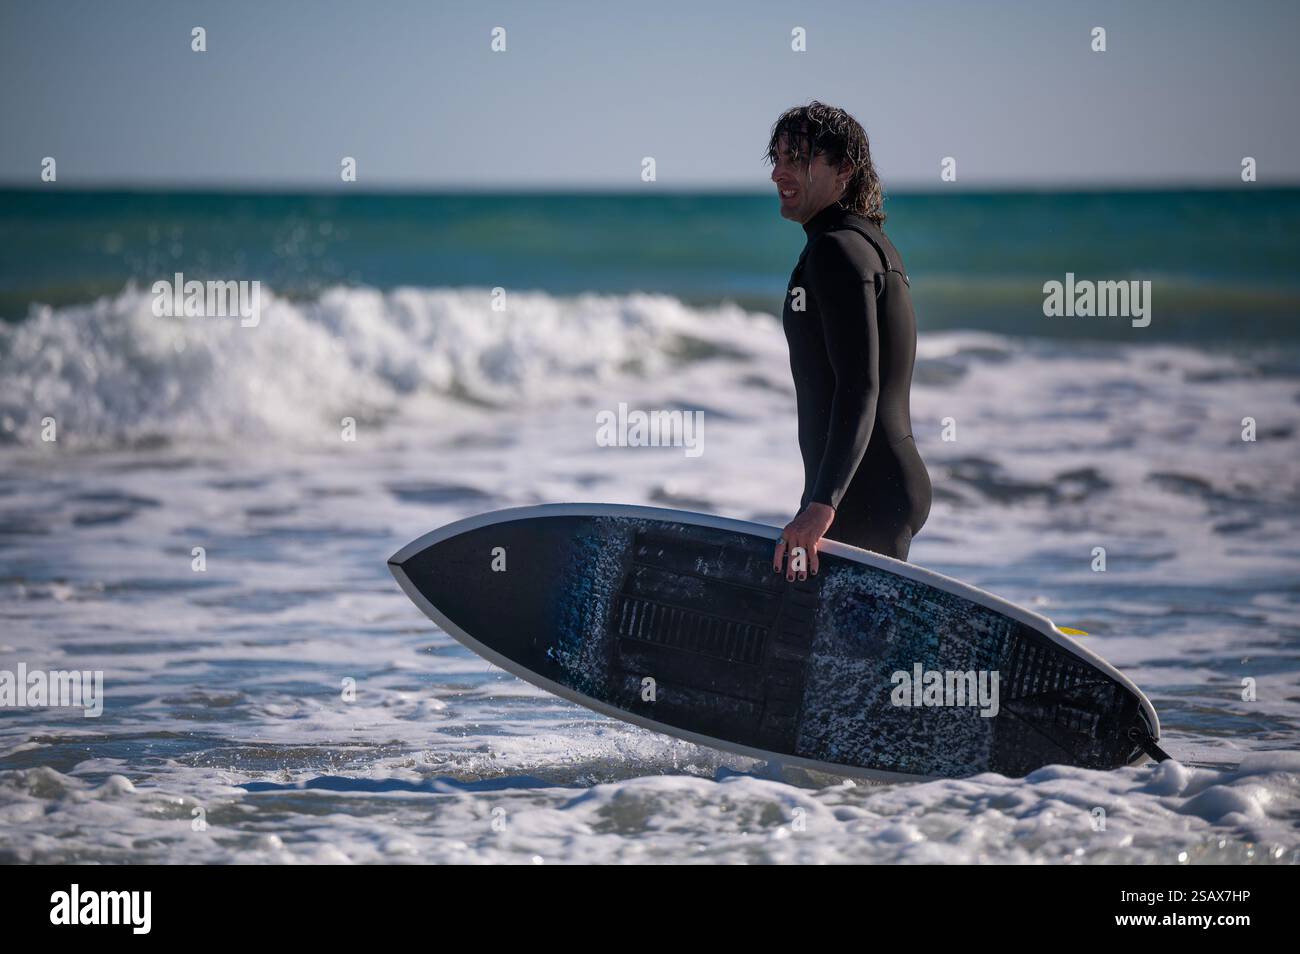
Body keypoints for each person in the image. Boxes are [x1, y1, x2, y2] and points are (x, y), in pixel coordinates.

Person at [766, 102, 931, 579]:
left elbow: (861, 385)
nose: (779, 172)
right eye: (776, 158)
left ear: (843, 170)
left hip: (861, 492)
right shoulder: (873, 245)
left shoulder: (836, 251)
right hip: (877, 483)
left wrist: (822, 505)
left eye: (797, 158)